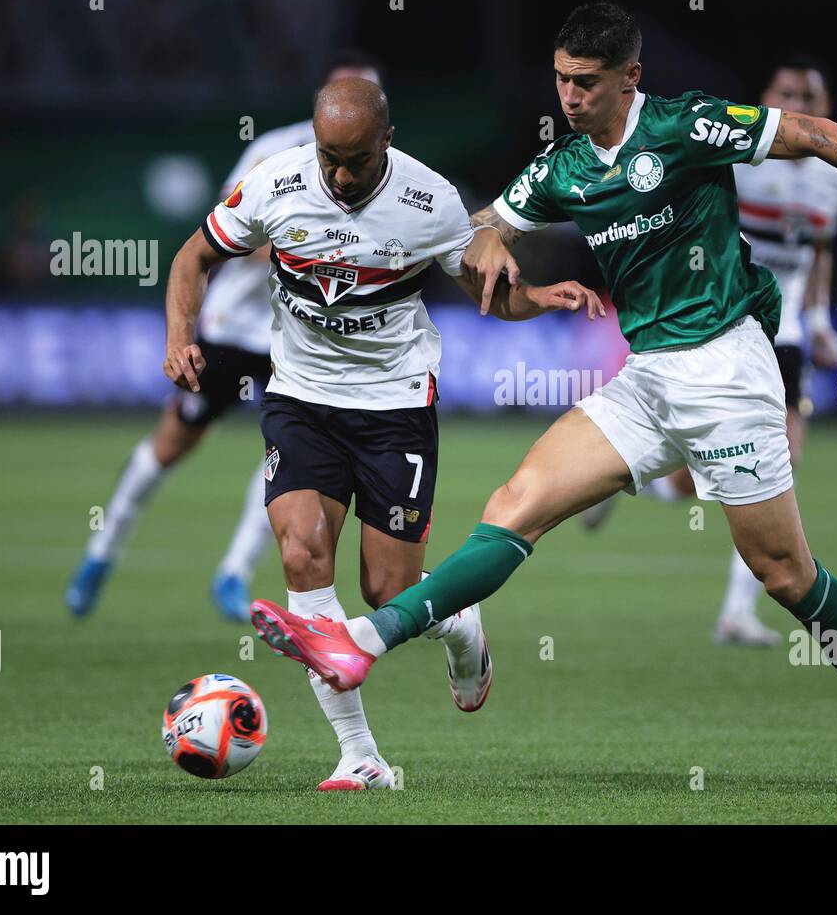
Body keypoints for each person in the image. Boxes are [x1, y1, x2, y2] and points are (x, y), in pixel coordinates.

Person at [250, 3, 837, 789]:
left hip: (727, 369)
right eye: (560, 80)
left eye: (586, 83)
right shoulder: (566, 167)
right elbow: (488, 223)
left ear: (630, 79)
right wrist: (485, 236)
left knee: (785, 575)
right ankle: (366, 641)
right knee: (515, 502)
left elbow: (814, 135)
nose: (570, 98)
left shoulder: (688, 127)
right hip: (648, 376)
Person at [166, 77, 602, 790]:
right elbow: (194, 257)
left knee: (385, 587)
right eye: (329, 159)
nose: (340, 176)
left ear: (387, 143)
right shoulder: (274, 183)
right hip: (300, 399)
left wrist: (539, 299)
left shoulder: (428, 199)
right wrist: (182, 336)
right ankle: (361, 757)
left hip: (395, 405)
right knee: (303, 554)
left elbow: (485, 288)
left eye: (357, 161)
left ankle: (458, 623)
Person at [65, 52, 384, 621]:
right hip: (232, 327)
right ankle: (101, 551)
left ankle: (233, 573)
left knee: (289, 459)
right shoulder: (272, 151)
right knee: (174, 441)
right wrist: (309, 247)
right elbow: (230, 225)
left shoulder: (384, 169)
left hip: (298, 338)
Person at [579, 54, 837, 648]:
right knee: (687, 485)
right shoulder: (744, 156)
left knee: (779, 466)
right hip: (727, 325)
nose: (801, 106)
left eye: (811, 96)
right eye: (789, 93)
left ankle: (736, 612)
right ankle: (618, 483)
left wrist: (822, 318)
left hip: (786, 337)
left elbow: (819, 250)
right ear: (768, 98)